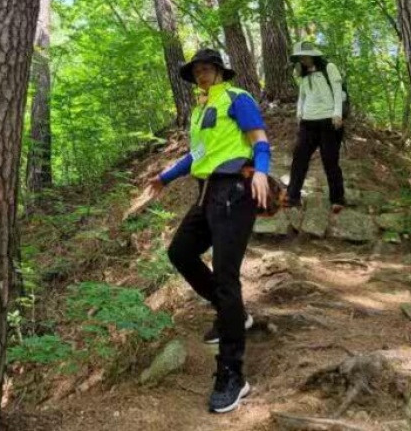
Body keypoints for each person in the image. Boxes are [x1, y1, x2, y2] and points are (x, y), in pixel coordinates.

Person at [144, 48, 270, 414]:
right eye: (196, 69)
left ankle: (232, 374)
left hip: (234, 189)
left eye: (206, 67)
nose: (200, 73)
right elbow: (196, 155)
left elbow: (259, 138)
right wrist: (165, 178)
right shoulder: (199, 112)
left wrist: (260, 170)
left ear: (219, 70)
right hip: (206, 194)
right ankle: (231, 311)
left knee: (227, 278)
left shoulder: (237, 97)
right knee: (180, 252)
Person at [284, 41, 346, 212]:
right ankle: (292, 196)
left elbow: (337, 90)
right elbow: (302, 96)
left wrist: (338, 114)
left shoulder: (329, 68)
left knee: (330, 160)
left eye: (305, 56)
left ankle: (337, 198)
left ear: (313, 55)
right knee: (299, 158)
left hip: (329, 120)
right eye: (300, 57)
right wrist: (299, 113)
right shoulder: (303, 74)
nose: (303, 59)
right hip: (308, 122)